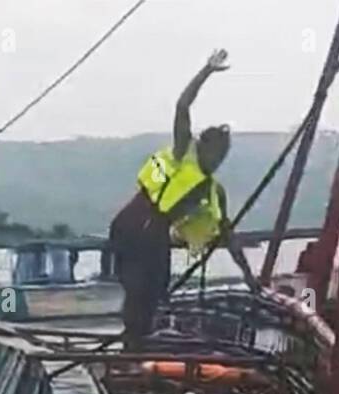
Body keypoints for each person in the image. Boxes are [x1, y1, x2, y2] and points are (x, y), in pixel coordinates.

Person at [109, 49, 259, 347]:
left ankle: (138, 346)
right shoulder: (182, 151)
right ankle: (131, 349)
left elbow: (228, 234)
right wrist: (207, 70)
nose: (218, 159)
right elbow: (182, 105)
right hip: (133, 224)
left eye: (224, 155)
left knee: (156, 292)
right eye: (216, 152)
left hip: (155, 234)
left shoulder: (213, 191)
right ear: (203, 146)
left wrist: (251, 279)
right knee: (138, 291)